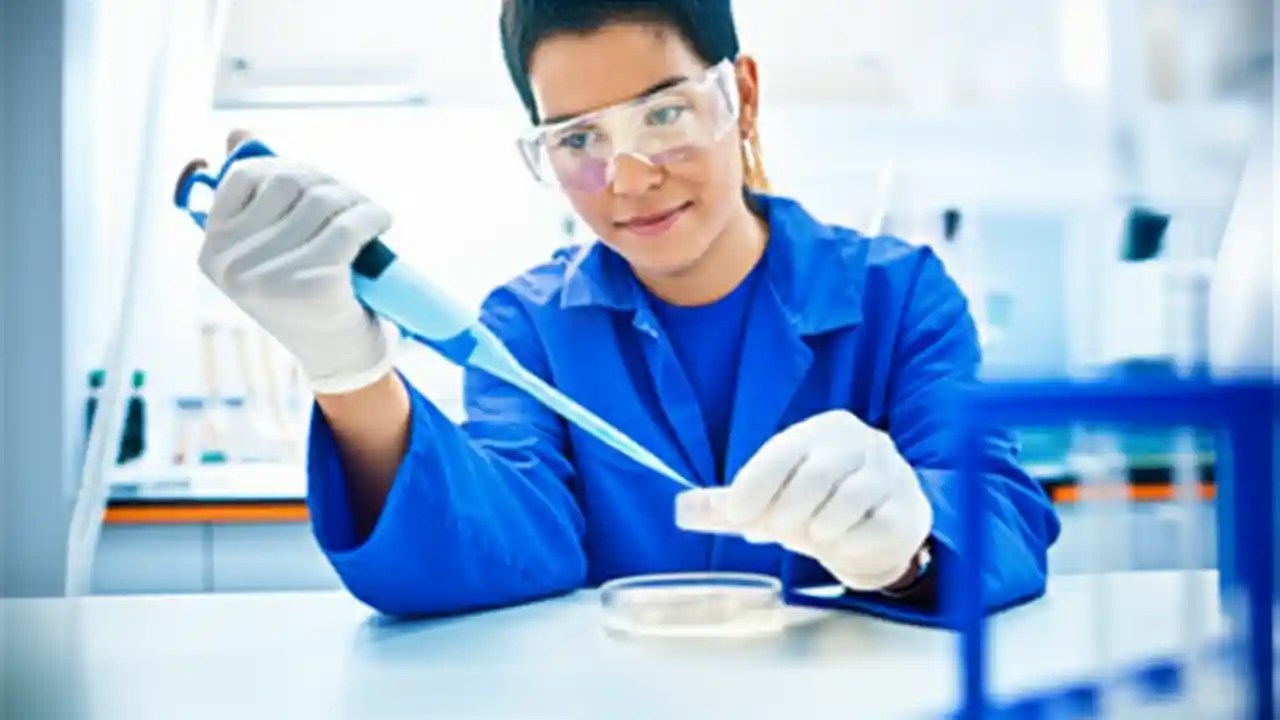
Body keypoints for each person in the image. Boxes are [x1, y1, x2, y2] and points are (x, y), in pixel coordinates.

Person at [197, 0, 1059, 624]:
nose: (629, 177)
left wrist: (906, 550)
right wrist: (348, 371)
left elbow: (1001, 516)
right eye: (576, 139)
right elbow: (497, 544)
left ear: (742, 97)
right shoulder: (529, 329)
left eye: (665, 114)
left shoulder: (897, 297)